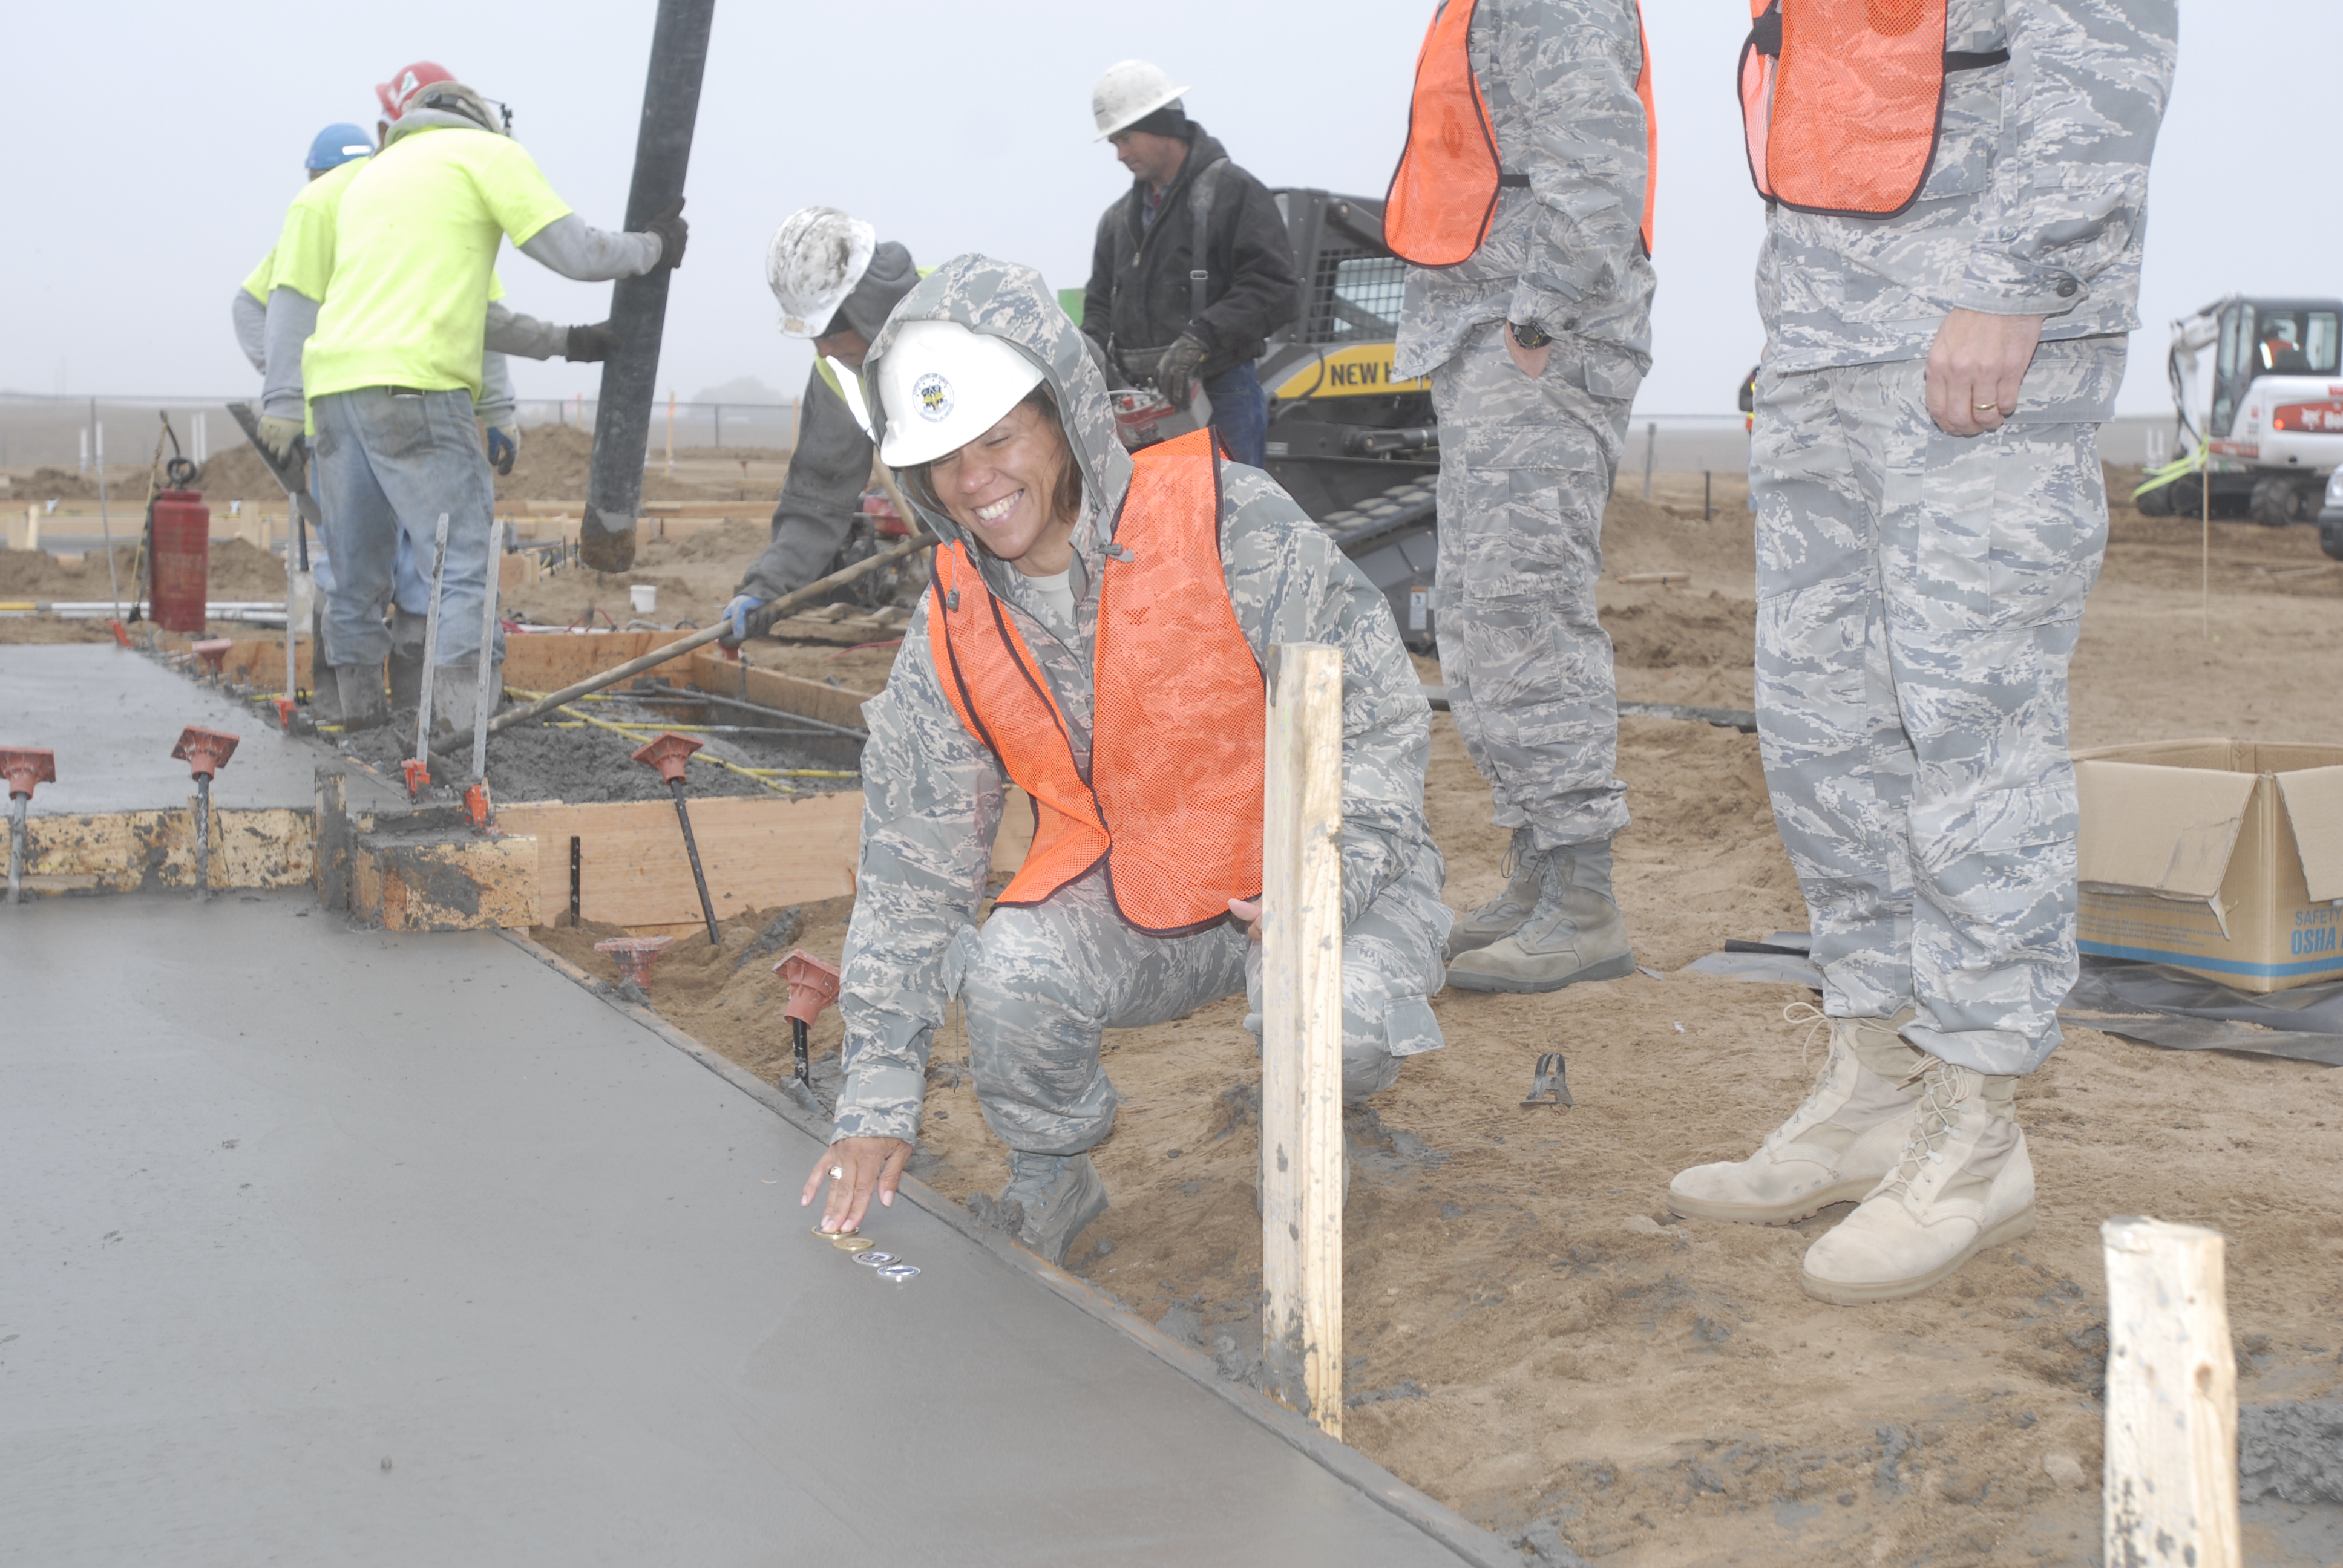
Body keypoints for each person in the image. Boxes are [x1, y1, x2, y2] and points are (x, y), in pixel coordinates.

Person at [1667, 0, 2178, 1304]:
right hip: (1827, 342)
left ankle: (1974, 1132)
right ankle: (1874, 1084)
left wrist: (2015, 285)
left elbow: (2098, 44)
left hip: (1974, 332)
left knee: (1968, 728)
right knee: (1823, 727)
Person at [801, 256, 1449, 1263]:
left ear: (1062, 416)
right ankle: (1054, 1176)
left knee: (1328, 1018)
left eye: (999, 439)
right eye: (942, 459)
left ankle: (1341, 1099)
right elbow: (912, 868)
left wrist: (1319, 876)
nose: (974, 483)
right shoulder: (952, 623)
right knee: (1009, 968)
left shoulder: (1232, 524)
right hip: (1148, 904)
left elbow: (1378, 721)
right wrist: (878, 1091)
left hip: (1328, 875)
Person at [1385, 0, 1657, 994]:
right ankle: (1540, 872)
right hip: (1487, 328)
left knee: (1524, 608)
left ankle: (1583, 900)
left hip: (1533, 332)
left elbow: (1597, 151)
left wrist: (1541, 312)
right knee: (1478, 614)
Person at [302, 66, 680, 733]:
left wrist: (568, 342)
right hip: (415, 387)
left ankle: (350, 719)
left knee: (356, 572)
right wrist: (651, 249)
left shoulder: (377, 177)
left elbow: (467, 312)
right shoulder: (484, 154)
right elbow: (576, 251)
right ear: (482, 120)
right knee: (462, 566)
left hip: (334, 391)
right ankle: (459, 731)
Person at [1079, 60, 1296, 469]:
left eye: (1126, 139)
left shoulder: (1235, 193)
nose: (1120, 155)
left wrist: (1200, 339)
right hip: (1139, 411)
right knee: (1159, 528)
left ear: (1163, 125)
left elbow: (1275, 288)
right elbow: (1099, 312)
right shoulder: (1117, 221)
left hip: (1222, 395)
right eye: (1114, 143)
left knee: (1227, 522)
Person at [718, 207, 921, 644]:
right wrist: (768, 587)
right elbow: (818, 495)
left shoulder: (967, 313)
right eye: (812, 338)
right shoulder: (839, 369)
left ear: (866, 308)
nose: (823, 352)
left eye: (829, 333)